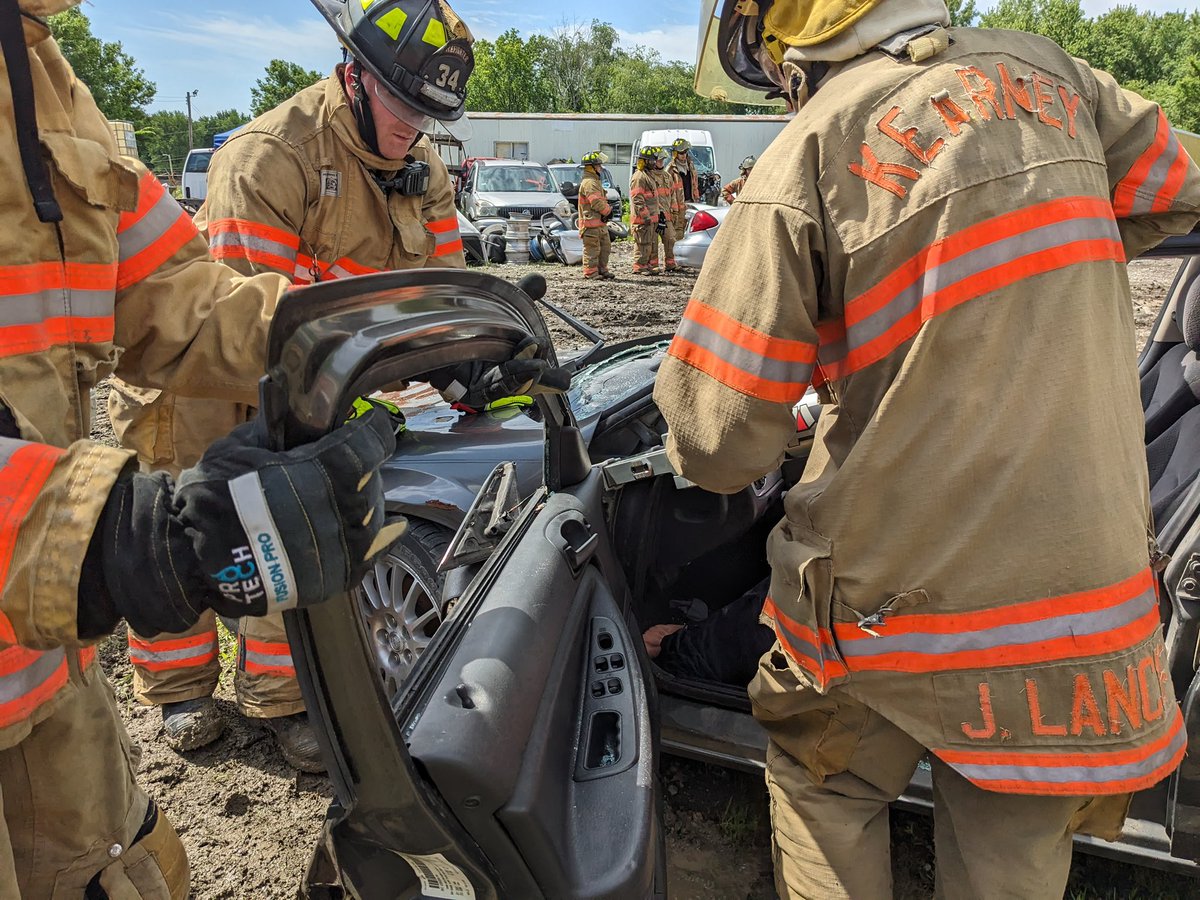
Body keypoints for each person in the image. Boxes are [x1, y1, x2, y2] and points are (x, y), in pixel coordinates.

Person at [653, 0, 1200, 897]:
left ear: (791, 45)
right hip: (1081, 619)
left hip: (891, 614)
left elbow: (717, 445)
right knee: (1013, 851)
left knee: (823, 786)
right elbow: (1176, 190)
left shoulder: (811, 150)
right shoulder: (1061, 80)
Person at [0, 1, 401, 895]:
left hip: (36, 662)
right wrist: (116, 539)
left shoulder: (42, 77)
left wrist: (361, 345)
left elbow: (173, 291)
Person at [107, 0, 474, 773]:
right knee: (185, 522)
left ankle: (280, 698)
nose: (416, 125)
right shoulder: (273, 154)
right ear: (355, 76)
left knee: (286, 527)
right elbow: (238, 321)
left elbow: (445, 283)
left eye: (430, 113)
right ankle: (178, 688)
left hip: (315, 372)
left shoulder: (423, 167)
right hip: (201, 383)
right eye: (405, 104)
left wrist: (458, 347)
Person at [578, 150, 614, 280]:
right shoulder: (589, 182)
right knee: (592, 250)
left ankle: (602, 270)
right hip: (591, 224)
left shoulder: (595, 180)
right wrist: (607, 211)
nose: (601, 168)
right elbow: (596, 202)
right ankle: (591, 272)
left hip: (599, 223)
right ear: (591, 167)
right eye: (598, 165)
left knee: (605, 248)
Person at [630, 145, 663, 276]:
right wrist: (646, 216)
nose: (654, 163)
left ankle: (647, 265)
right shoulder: (639, 177)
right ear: (645, 161)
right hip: (642, 220)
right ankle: (639, 267)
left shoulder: (648, 175)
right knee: (642, 244)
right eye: (652, 160)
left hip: (651, 218)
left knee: (649, 243)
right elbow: (637, 199)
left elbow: (654, 198)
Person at [653, 147, 681, 273]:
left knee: (670, 239)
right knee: (652, 242)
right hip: (654, 215)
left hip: (667, 215)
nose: (662, 162)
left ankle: (670, 263)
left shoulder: (667, 176)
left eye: (663, 160)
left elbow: (673, 194)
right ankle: (652, 265)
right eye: (659, 160)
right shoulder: (648, 176)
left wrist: (674, 211)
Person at [669, 137, 700, 206]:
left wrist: (697, 198)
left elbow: (695, 184)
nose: (684, 155)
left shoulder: (690, 165)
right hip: (679, 205)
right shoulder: (671, 169)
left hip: (692, 202)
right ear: (675, 154)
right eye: (681, 153)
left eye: (685, 152)